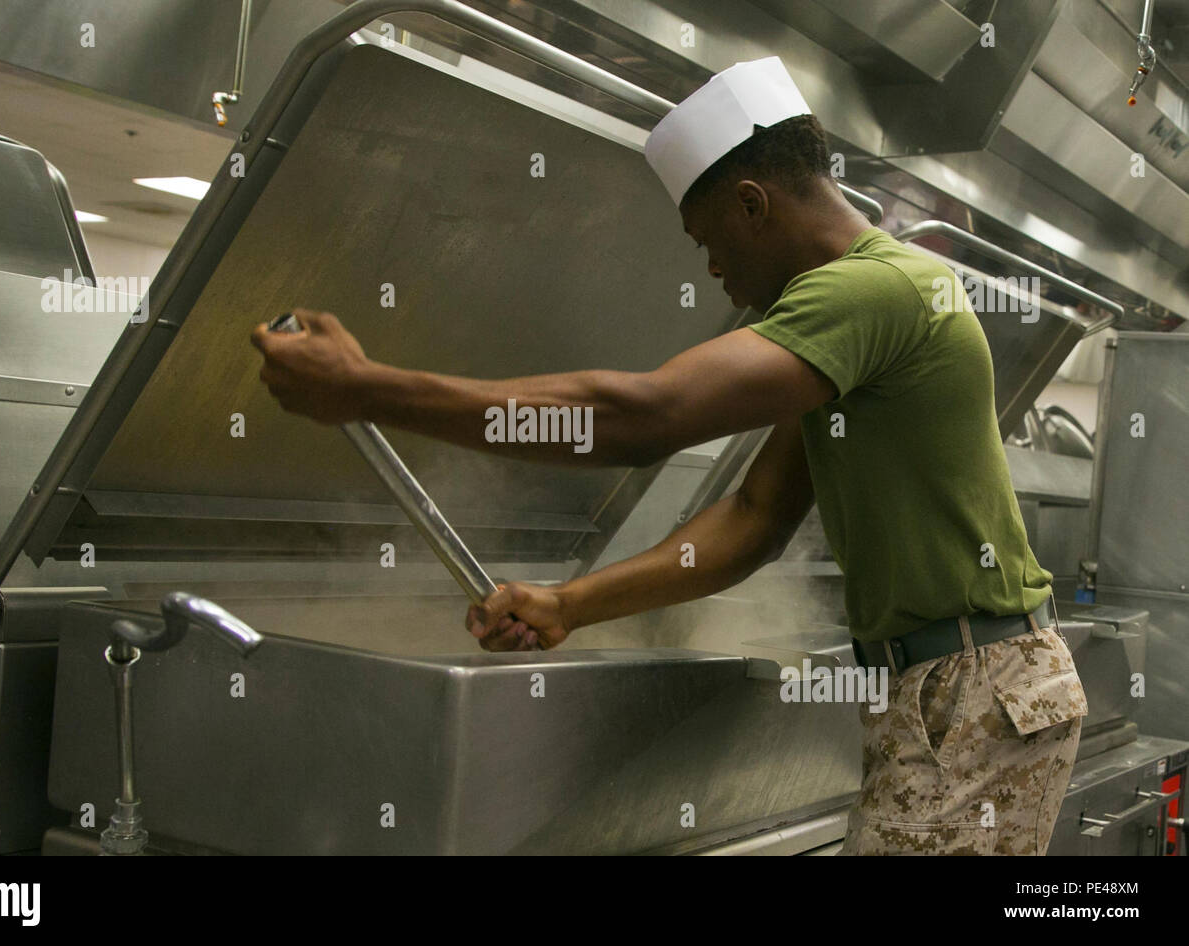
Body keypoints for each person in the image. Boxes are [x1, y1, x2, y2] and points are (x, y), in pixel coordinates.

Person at [252, 58, 1087, 855]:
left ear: (754, 202)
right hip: (954, 687)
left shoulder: (873, 289)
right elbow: (754, 519)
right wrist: (571, 603)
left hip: (971, 690)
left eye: (708, 239)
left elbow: (645, 418)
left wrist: (372, 391)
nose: (715, 268)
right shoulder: (870, 311)